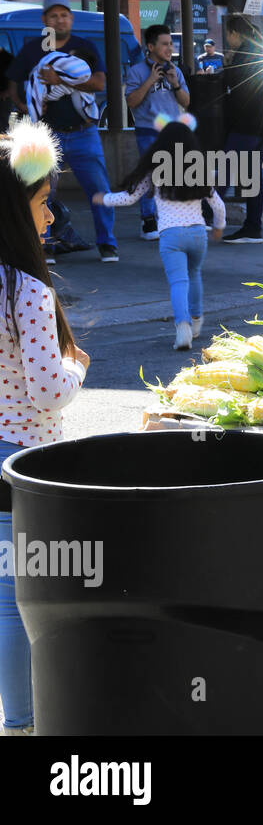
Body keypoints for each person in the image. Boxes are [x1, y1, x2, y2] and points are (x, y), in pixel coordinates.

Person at [0, 118, 89, 736]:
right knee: (15, 602)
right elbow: (50, 392)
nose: (51, 218)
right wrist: (77, 365)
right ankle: (23, 721)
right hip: (20, 462)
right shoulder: (25, 289)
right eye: (42, 203)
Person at [3, 0, 118, 263]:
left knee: (99, 190)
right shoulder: (33, 50)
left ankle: (107, 244)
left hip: (83, 132)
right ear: (45, 20)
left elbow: (100, 83)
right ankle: (43, 245)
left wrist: (60, 79)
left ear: (71, 18)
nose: (60, 19)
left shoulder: (85, 46)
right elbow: (12, 85)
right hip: (45, 135)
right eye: (53, 15)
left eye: (64, 15)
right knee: (41, 192)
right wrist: (24, 106)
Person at [92, 121, 224, 350]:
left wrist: (103, 198)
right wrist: (219, 227)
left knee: (178, 282)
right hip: (197, 234)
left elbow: (129, 197)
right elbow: (218, 205)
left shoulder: (155, 171)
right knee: (194, 275)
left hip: (170, 236)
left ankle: (182, 327)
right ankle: (196, 321)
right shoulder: (200, 171)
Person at [125, 24, 192, 242]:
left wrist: (174, 84)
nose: (169, 48)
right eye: (164, 44)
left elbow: (186, 102)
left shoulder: (175, 70)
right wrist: (150, 81)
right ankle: (148, 220)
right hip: (148, 130)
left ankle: (171, 218)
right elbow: (131, 101)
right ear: (151, 46)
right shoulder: (137, 71)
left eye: (171, 44)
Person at [220, 13, 263, 244]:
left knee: (225, 173)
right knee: (252, 178)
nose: (227, 39)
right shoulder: (259, 51)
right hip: (259, 124)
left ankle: (202, 219)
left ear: (234, 34)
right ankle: (252, 228)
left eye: (228, 34)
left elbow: (237, 87)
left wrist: (227, 66)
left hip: (245, 125)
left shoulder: (245, 55)